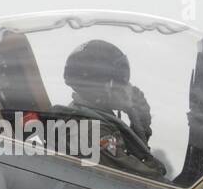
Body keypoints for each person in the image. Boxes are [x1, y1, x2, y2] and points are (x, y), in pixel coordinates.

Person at [61, 39, 169, 179]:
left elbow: (132, 156)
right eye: (122, 80)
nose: (129, 86)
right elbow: (145, 180)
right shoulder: (91, 131)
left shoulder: (96, 119)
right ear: (105, 86)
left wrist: (141, 120)